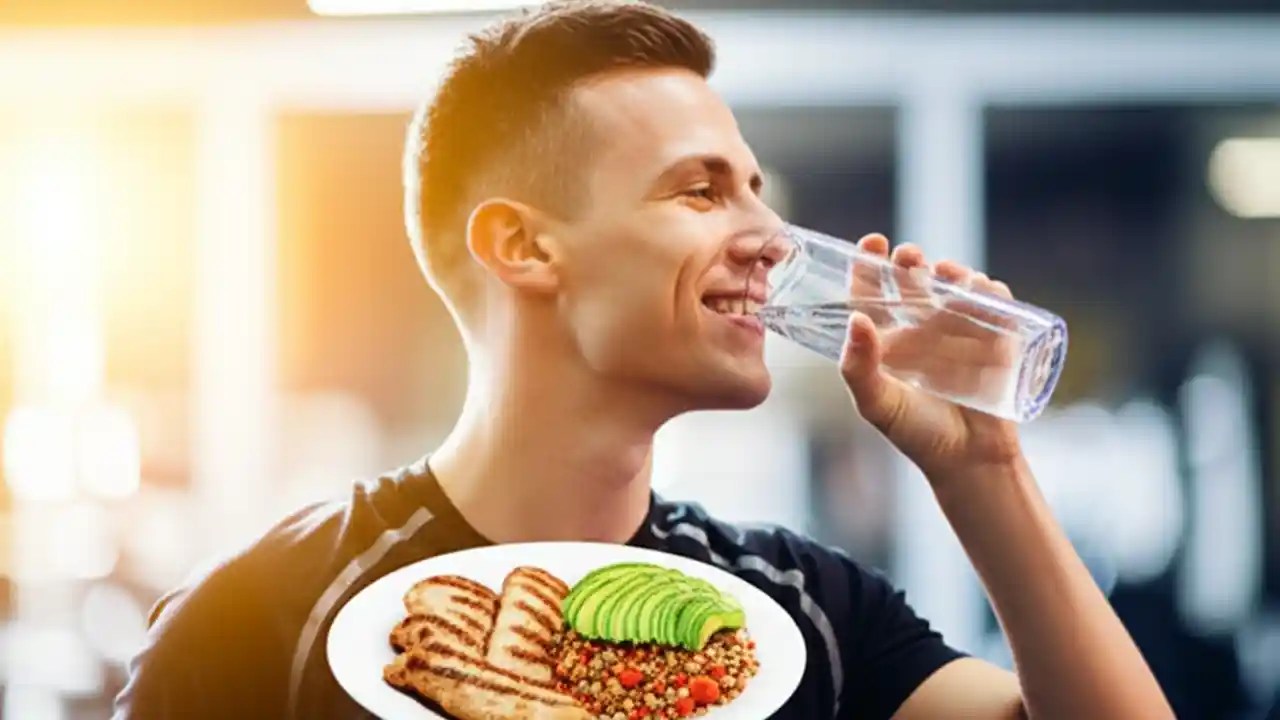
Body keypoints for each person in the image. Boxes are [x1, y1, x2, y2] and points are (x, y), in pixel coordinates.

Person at [114, 2, 1174, 718]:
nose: (765, 234)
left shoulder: (799, 607)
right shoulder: (264, 626)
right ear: (522, 248)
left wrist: (982, 474)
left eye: (755, 188)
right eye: (701, 190)